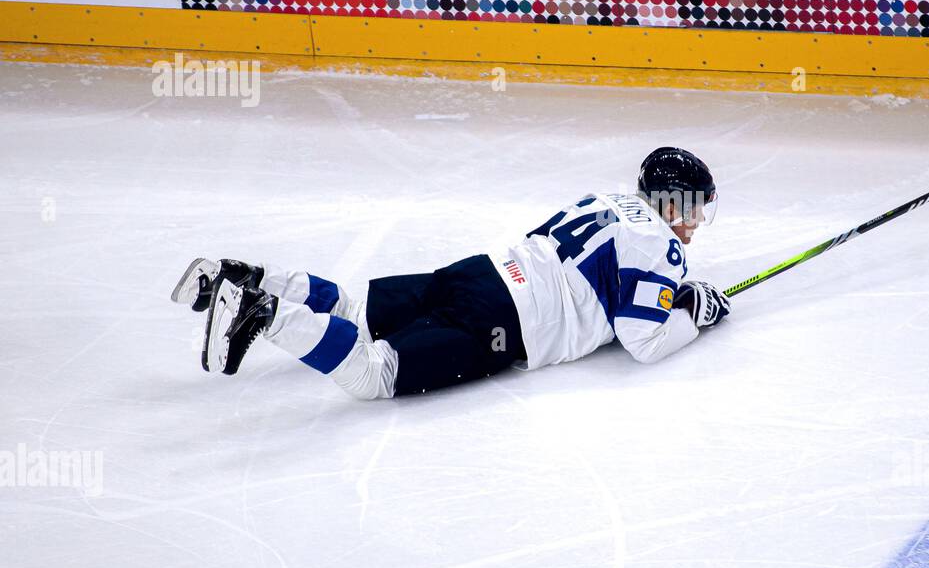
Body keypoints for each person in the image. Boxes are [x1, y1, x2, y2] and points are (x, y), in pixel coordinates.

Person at [171, 147, 731, 400]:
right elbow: (644, 342)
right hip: (508, 323)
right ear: (672, 201)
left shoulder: (604, 199)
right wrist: (693, 311)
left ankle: (239, 276)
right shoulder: (660, 246)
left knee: (352, 309)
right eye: (695, 207)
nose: (697, 222)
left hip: (482, 273)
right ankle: (265, 313)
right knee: (375, 375)